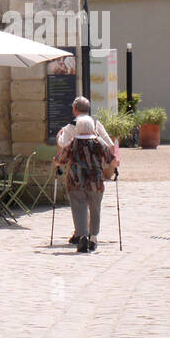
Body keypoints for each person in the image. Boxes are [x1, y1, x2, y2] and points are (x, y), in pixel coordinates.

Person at [56, 96, 117, 244]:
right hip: (95, 175)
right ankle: (92, 236)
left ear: (75, 109)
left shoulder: (71, 127)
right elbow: (109, 144)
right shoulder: (96, 123)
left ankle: (81, 234)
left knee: (79, 205)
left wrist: (60, 136)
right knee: (94, 206)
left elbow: (63, 147)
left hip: (76, 174)